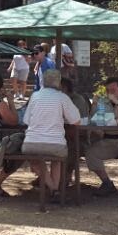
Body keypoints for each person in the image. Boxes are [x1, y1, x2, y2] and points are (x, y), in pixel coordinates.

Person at [22, 68, 80, 198]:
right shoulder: (62, 97)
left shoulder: (35, 96)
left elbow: (26, 120)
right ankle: (55, 189)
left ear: (43, 81)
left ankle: (53, 189)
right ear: (59, 83)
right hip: (56, 144)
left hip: (31, 143)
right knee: (57, 160)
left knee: (35, 161)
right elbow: (76, 120)